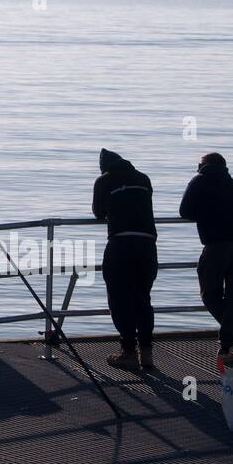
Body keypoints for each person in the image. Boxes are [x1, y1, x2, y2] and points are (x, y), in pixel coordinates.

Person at [178, 152, 233, 364]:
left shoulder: (198, 183)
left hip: (215, 247)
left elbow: (184, 211)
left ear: (202, 167)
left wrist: (206, 212)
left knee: (209, 294)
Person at [93, 148, 158, 370]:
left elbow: (98, 213)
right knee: (143, 298)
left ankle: (128, 351)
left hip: (121, 244)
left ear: (104, 166)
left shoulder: (104, 180)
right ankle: (147, 352)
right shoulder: (143, 178)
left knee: (118, 298)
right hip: (148, 244)